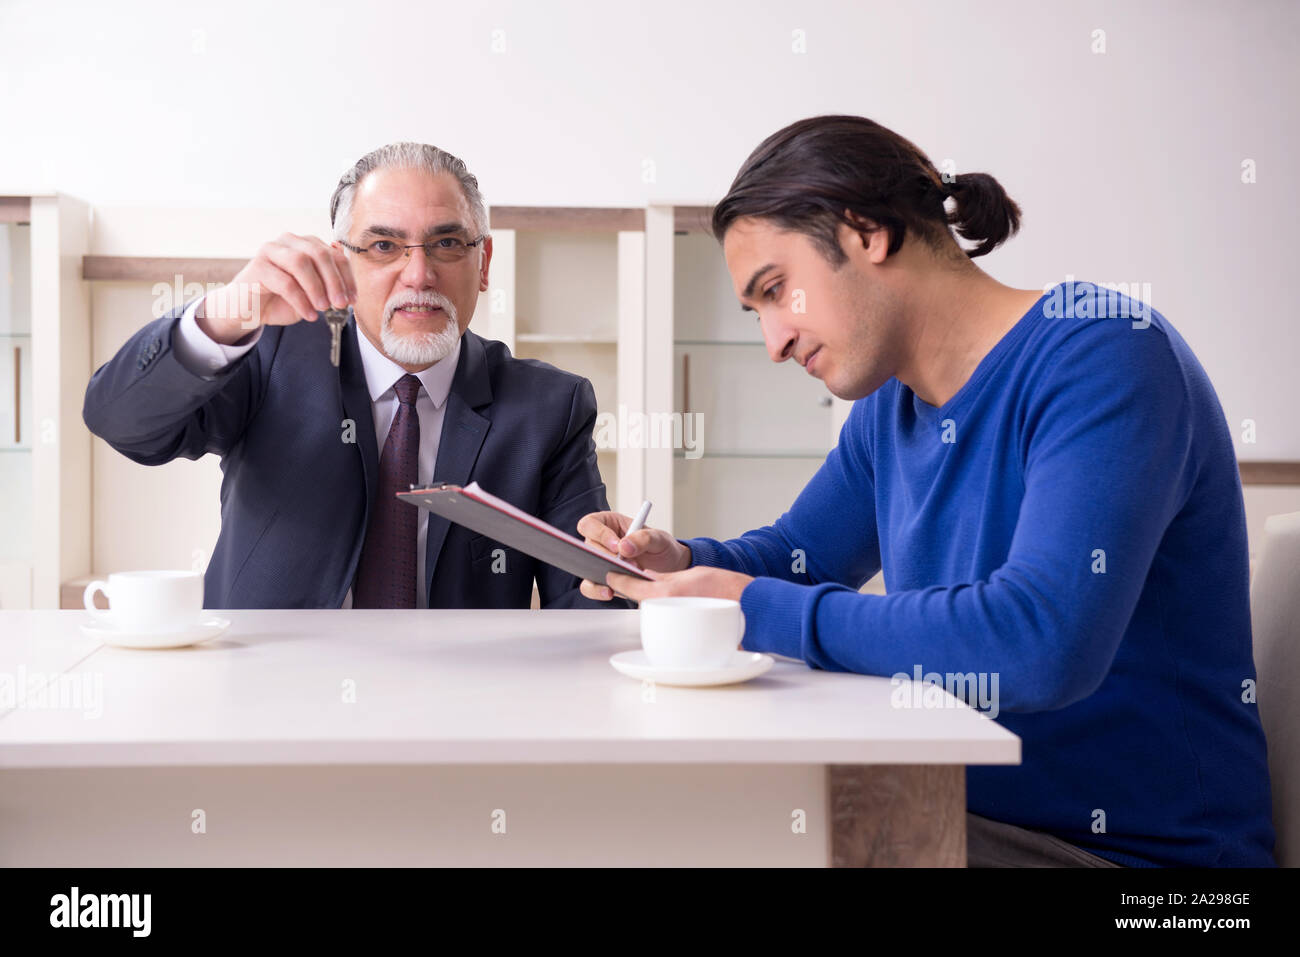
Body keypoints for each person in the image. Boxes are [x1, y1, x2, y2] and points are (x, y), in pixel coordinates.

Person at [577, 115, 1274, 868]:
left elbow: (1041, 642)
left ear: (867, 231)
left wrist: (748, 606)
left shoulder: (1105, 356)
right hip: (954, 812)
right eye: (757, 312)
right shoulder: (893, 407)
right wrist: (678, 561)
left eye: (777, 292)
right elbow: (799, 556)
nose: (774, 340)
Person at [84, 142, 626, 611]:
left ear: (482, 263)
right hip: (267, 700)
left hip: (453, 708)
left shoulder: (548, 406)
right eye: (384, 246)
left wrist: (624, 569)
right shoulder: (268, 352)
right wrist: (228, 312)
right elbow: (120, 421)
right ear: (343, 262)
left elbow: (586, 605)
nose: (419, 274)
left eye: (446, 244)